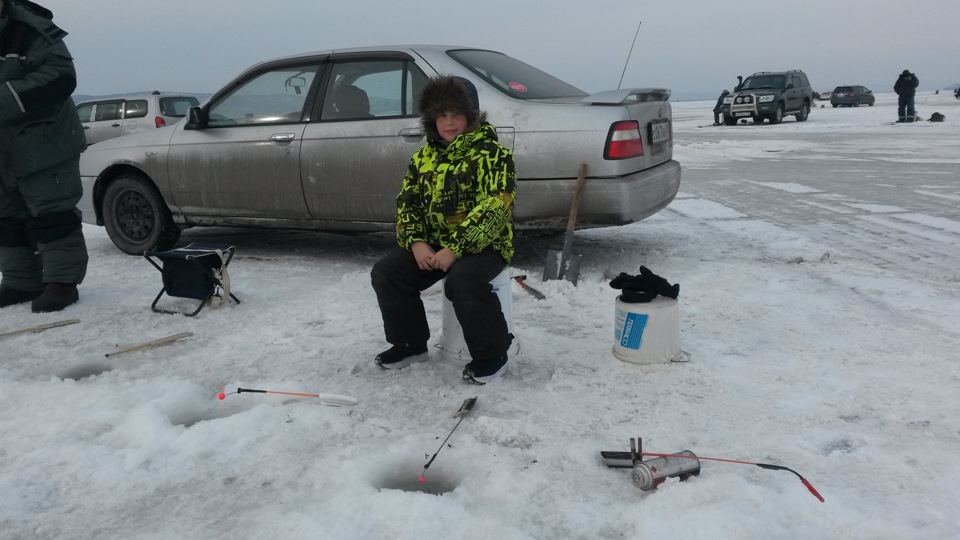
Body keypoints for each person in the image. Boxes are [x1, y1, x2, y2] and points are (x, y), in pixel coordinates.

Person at [371, 75, 516, 385]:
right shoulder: (422, 159)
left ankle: (493, 354)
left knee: (462, 281)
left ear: (471, 116)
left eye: (457, 114)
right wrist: (417, 242)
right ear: (432, 119)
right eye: (442, 115)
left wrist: (457, 248)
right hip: (434, 245)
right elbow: (407, 203)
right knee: (387, 273)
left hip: (484, 246)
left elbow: (496, 207)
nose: (449, 123)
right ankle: (410, 344)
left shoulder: (492, 154)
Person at [0, 0, 88, 312]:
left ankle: (62, 282)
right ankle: (19, 280)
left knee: (51, 211)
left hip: (45, 143)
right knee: (7, 216)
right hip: (3, 149)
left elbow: (61, 76)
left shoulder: (30, 30)